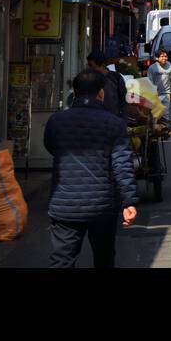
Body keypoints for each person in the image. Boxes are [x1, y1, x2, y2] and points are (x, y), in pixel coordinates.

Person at [44, 69, 138, 267]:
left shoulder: (56, 121)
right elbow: (122, 164)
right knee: (104, 259)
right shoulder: (114, 124)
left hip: (64, 206)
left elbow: (51, 147)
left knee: (61, 261)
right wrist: (129, 202)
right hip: (102, 205)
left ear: (75, 93)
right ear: (101, 93)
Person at [87, 49, 128, 119]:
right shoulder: (88, 80)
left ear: (102, 65)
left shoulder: (116, 78)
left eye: (92, 66)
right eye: (88, 65)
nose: (89, 69)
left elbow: (124, 101)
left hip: (114, 120)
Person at [147, 49, 171, 120]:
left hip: (166, 93)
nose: (164, 58)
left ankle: (166, 129)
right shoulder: (152, 68)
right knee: (156, 114)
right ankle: (155, 129)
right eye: (162, 56)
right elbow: (150, 82)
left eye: (166, 56)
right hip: (155, 95)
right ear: (157, 58)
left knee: (165, 113)